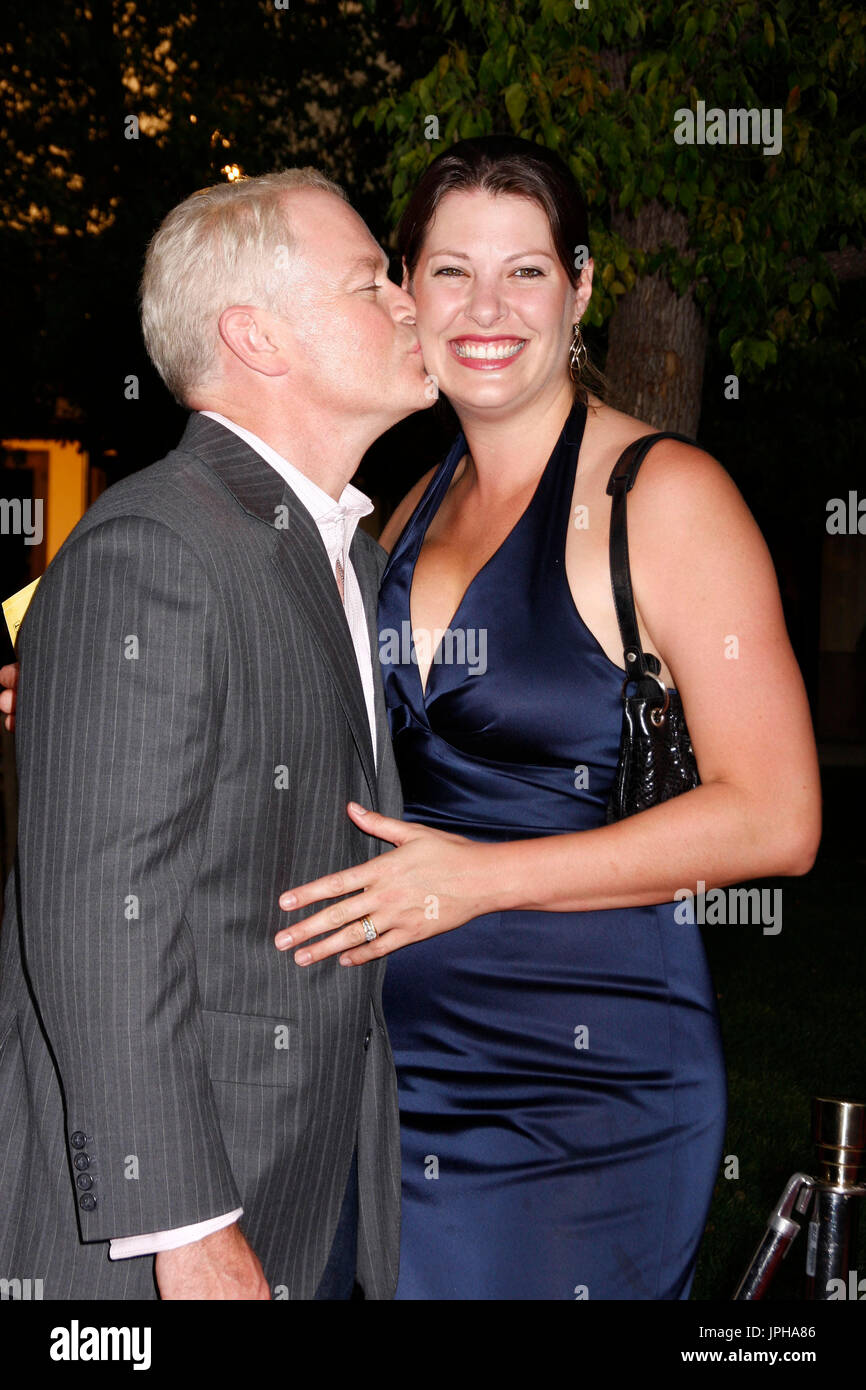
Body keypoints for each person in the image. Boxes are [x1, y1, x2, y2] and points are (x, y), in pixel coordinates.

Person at [272, 137, 822, 1300]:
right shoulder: (410, 503)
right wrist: (110, 693)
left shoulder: (664, 498)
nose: (486, 308)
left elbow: (776, 818)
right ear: (405, 293)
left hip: (584, 1083)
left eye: (524, 272)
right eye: (450, 270)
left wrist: (482, 879)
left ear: (577, 290)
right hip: (389, 1061)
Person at [0, 168, 431, 1299]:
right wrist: (185, 1224)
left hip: (311, 1175)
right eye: (370, 283)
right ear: (256, 336)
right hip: (177, 1224)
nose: (409, 303)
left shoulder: (346, 555)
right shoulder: (153, 551)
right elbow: (96, 907)